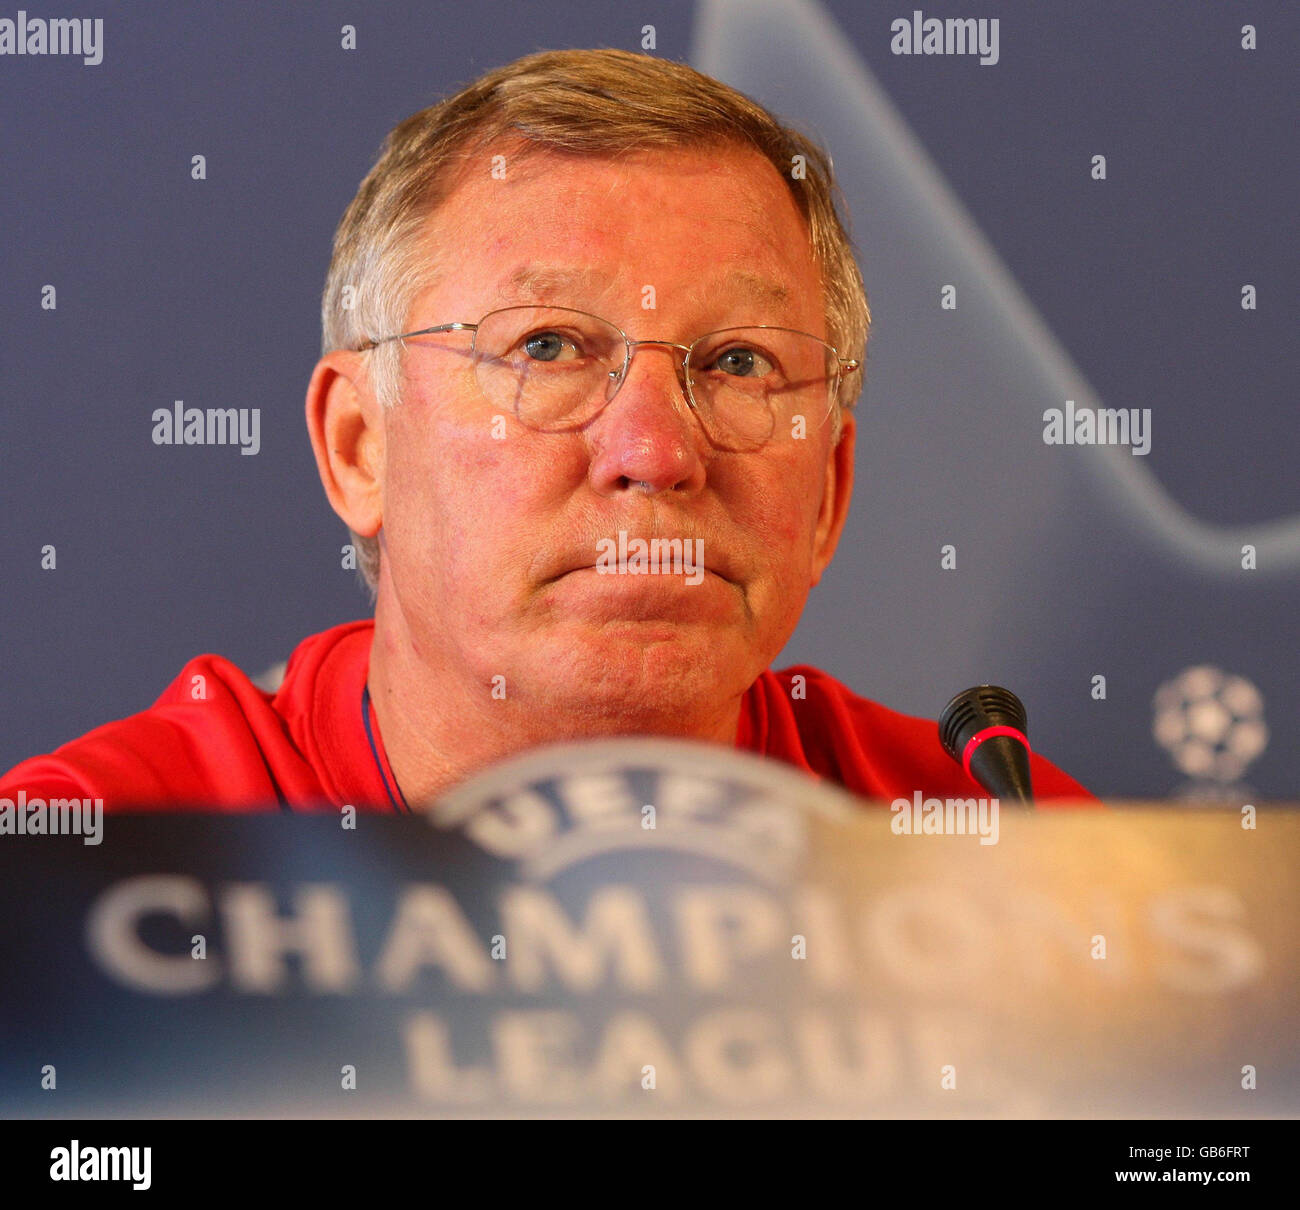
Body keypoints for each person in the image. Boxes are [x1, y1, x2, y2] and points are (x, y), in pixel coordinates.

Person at [0, 48, 1093, 812]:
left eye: (741, 362)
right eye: (548, 348)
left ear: (830, 494)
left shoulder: (1002, 847)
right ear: (359, 446)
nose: (658, 454)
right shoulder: (86, 873)